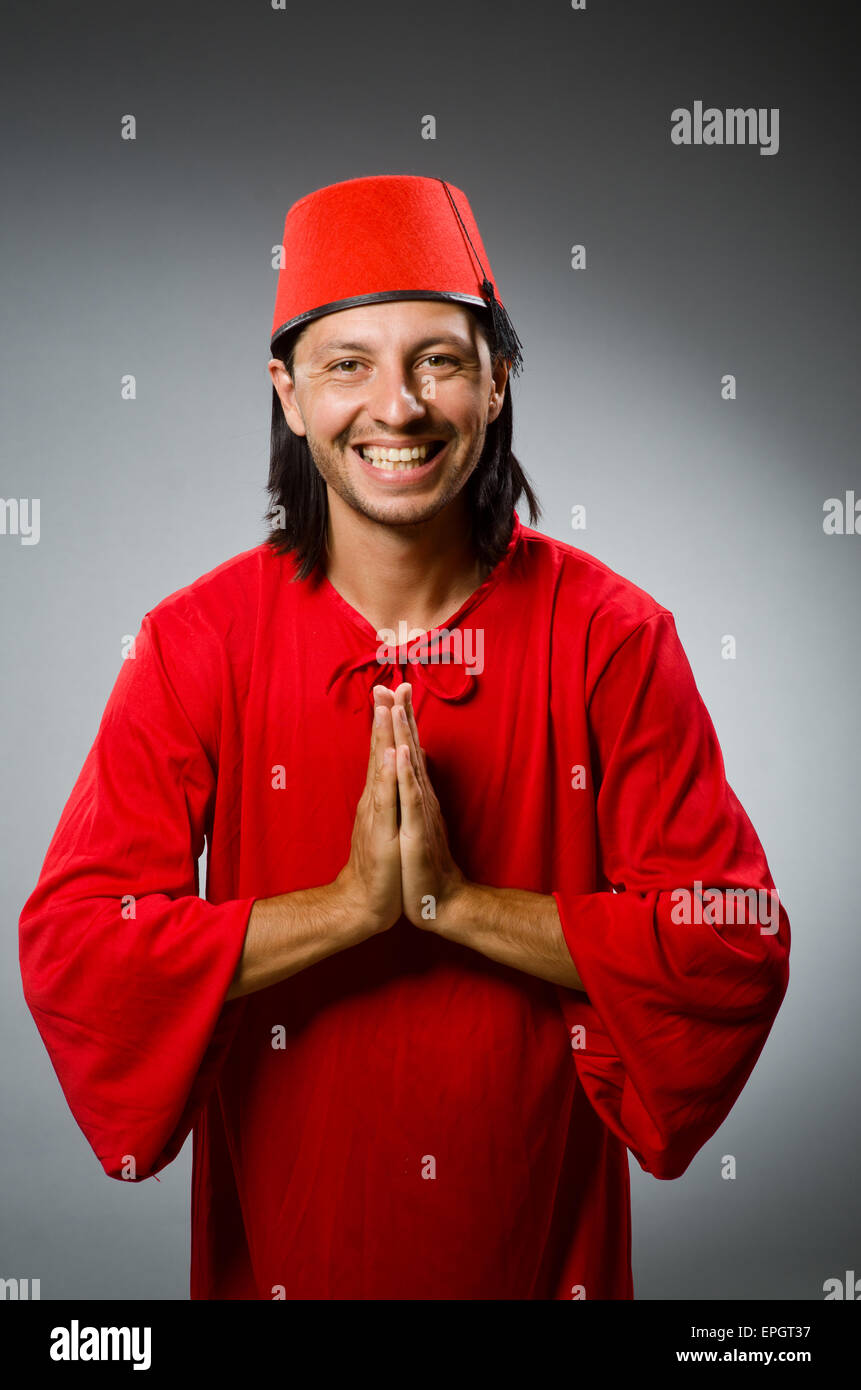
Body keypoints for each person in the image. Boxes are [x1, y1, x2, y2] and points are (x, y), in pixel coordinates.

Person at [18, 174, 790, 1300]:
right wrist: (345, 909)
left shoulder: (614, 638)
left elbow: (731, 942)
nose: (398, 406)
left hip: (536, 1252)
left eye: (439, 358)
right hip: (289, 1250)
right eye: (347, 364)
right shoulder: (194, 644)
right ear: (287, 393)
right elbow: (77, 949)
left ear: (497, 380)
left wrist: (460, 905)